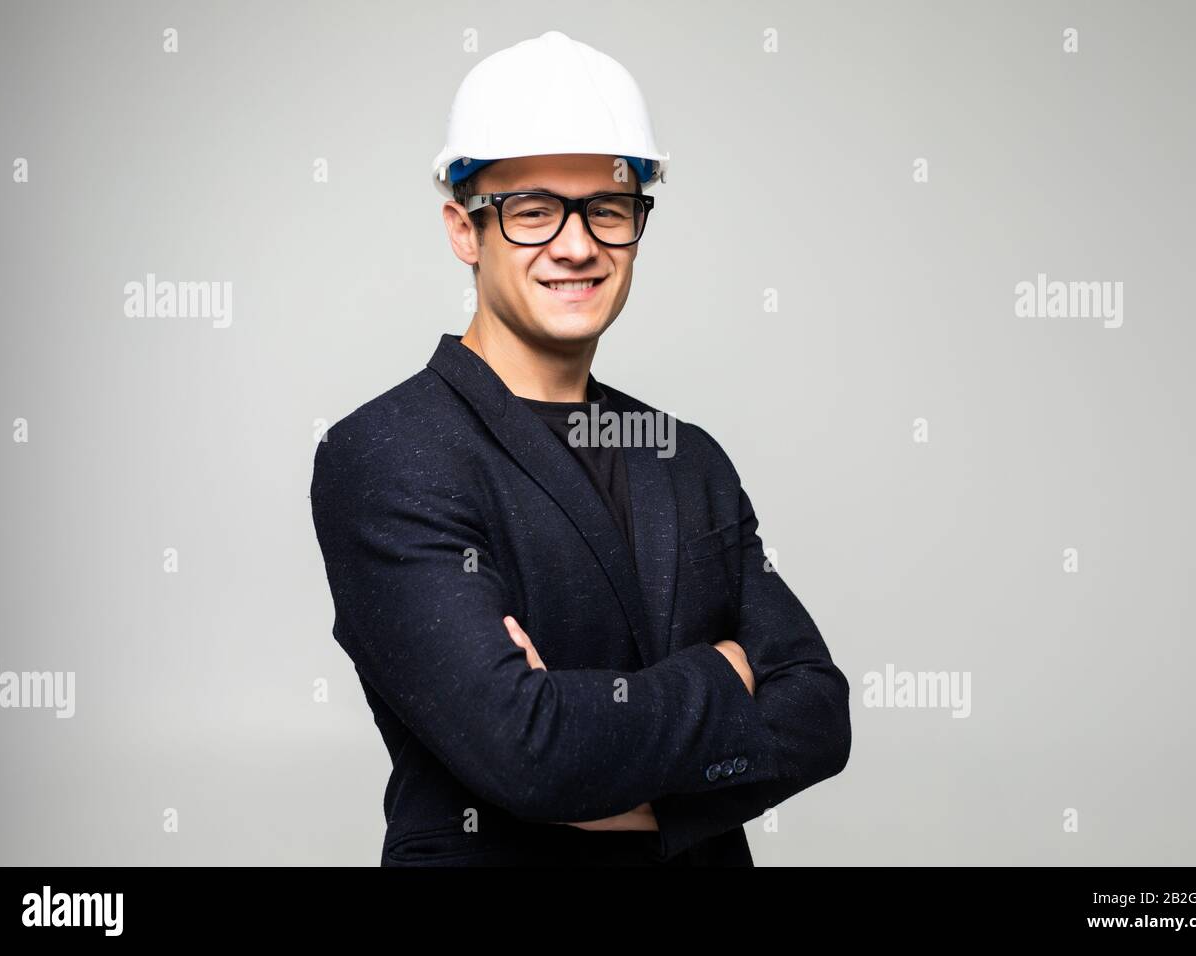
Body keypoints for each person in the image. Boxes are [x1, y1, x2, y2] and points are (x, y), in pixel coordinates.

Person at [309, 30, 851, 866]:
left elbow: (819, 712)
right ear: (464, 228)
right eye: (531, 210)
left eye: (607, 207)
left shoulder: (688, 456)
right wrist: (727, 672)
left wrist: (629, 797)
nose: (576, 244)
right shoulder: (388, 452)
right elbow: (530, 752)